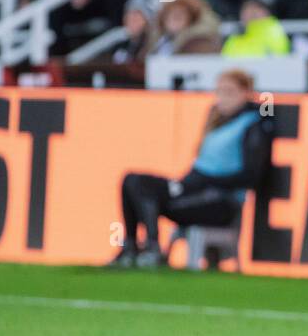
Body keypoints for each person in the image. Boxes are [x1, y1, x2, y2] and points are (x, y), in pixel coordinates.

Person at [110, 70, 273, 268]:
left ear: (246, 93)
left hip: (219, 199)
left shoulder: (253, 124)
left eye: (230, 92)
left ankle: (153, 248)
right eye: (219, 91)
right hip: (194, 187)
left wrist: (208, 180)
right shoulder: (216, 121)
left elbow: (251, 176)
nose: (222, 98)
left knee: (149, 192)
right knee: (133, 180)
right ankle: (131, 247)